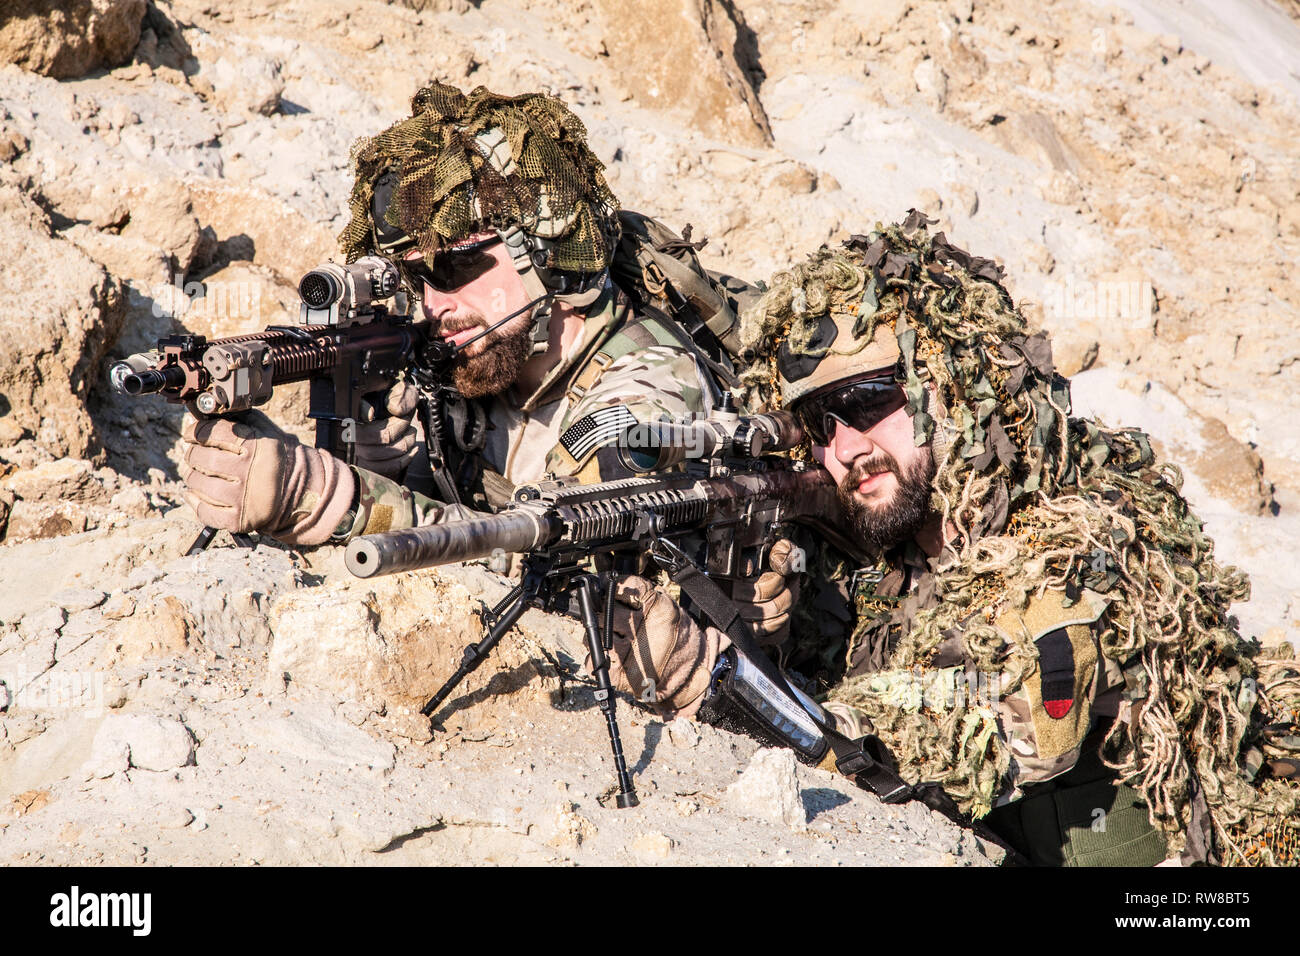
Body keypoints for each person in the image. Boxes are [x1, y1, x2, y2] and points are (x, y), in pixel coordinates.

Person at [605, 212, 1300, 866]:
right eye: (819, 424)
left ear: (956, 392)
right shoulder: (892, 543)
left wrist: (725, 684)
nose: (846, 448)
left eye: (868, 403)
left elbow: (962, 729)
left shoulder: (1081, 540)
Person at [178, 83, 749, 555]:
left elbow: (559, 577)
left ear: (542, 252)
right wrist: (397, 468)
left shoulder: (650, 393)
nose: (432, 304)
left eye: (454, 267)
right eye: (414, 278)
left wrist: (342, 504)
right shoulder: (485, 357)